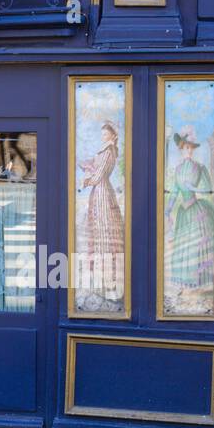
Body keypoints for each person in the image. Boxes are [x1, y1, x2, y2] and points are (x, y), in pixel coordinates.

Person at [164, 127, 214, 312]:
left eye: (191, 148)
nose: (189, 150)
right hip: (182, 212)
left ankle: (197, 287)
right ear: (181, 149)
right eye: (185, 148)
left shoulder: (199, 168)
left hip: (196, 209)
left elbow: (208, 190)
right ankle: (184, 286)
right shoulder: (177, 170)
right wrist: (168, 210)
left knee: (195, 247)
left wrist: (192, 187)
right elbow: (175, 192)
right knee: (183, 247)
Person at [79, 120, 124, 304]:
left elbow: (99, 176)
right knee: (99, 236)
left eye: (106, 135)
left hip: (103, 195)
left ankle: (110, 285)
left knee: (105, 236)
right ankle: (102, 283)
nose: (103, 138)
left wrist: (86, 180)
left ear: (113, 136)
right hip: (99, 194)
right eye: (102, 135)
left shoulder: (109, 152)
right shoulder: (105, 151)